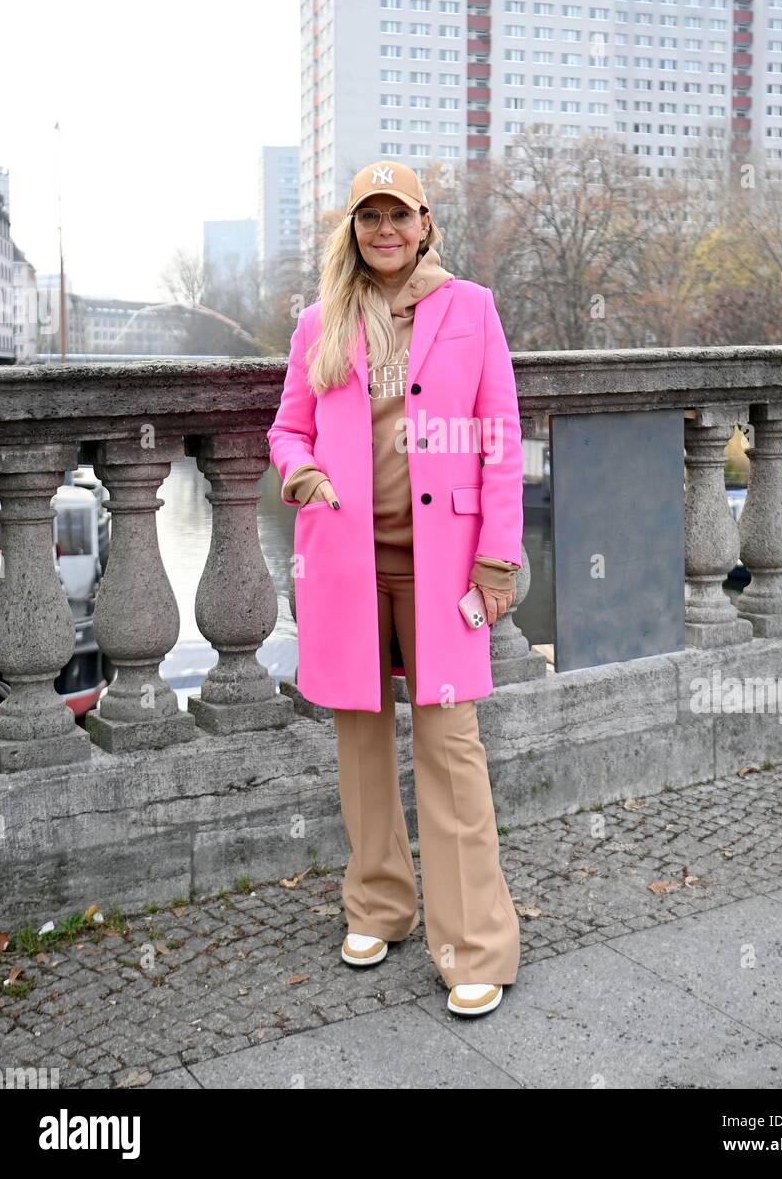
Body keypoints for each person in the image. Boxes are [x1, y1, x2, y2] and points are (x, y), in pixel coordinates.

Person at [267, 160, 523, 1017]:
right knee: (361, 741)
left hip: (443, 564)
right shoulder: (319, 321)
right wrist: (300, 473)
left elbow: (500, 439)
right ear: (352, 228)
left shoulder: (470, 308)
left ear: (424, 223)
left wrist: (497, 558)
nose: (383, 230)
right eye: (367, 217)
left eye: (397, 216)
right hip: (344, 561)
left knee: (451, 749)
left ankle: (476, 944)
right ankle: (379, 906)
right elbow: (289, 427)